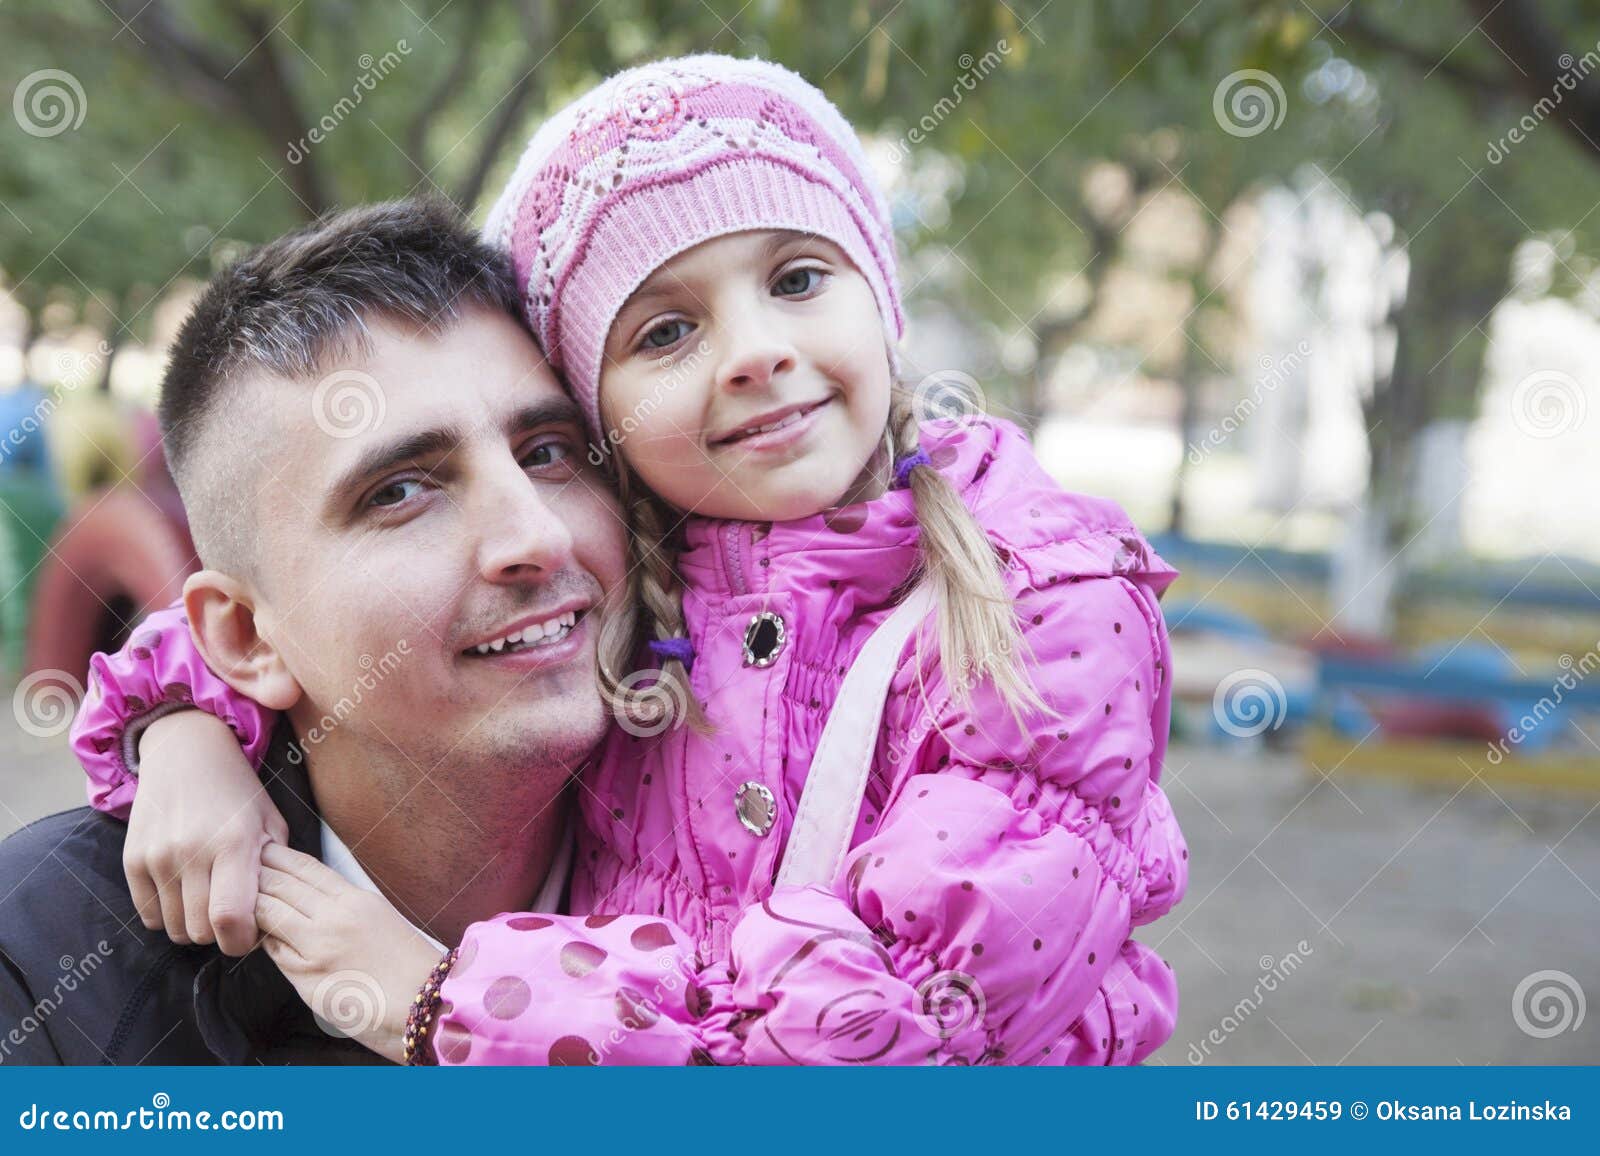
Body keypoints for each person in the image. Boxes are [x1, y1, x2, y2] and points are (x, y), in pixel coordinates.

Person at [71, 55, 1188, 1066]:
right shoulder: (655, 563)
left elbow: (904, 1032)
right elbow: (287, 610)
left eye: (797, 277)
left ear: (879, 300)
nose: (756, 353)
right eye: (664, 332)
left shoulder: (1036, 603)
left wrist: (442, 1002)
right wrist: (182, 731)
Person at [1, 200, 620, 1062]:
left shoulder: (767, 840)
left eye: (547, 451)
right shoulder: (46, 966)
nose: (540, 538)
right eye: (400, 491)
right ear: (248, 637)